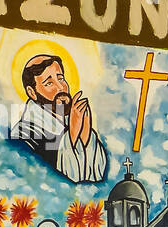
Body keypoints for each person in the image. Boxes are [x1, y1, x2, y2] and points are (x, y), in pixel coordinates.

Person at [10, 53, 107, 183]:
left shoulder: (71, 120)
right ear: (32, 92)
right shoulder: (23, 134)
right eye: (49, 83)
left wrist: (85, 136)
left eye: (60, 78)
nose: (61, 87)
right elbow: (47, 181)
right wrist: (72, 134)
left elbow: (97, 177)